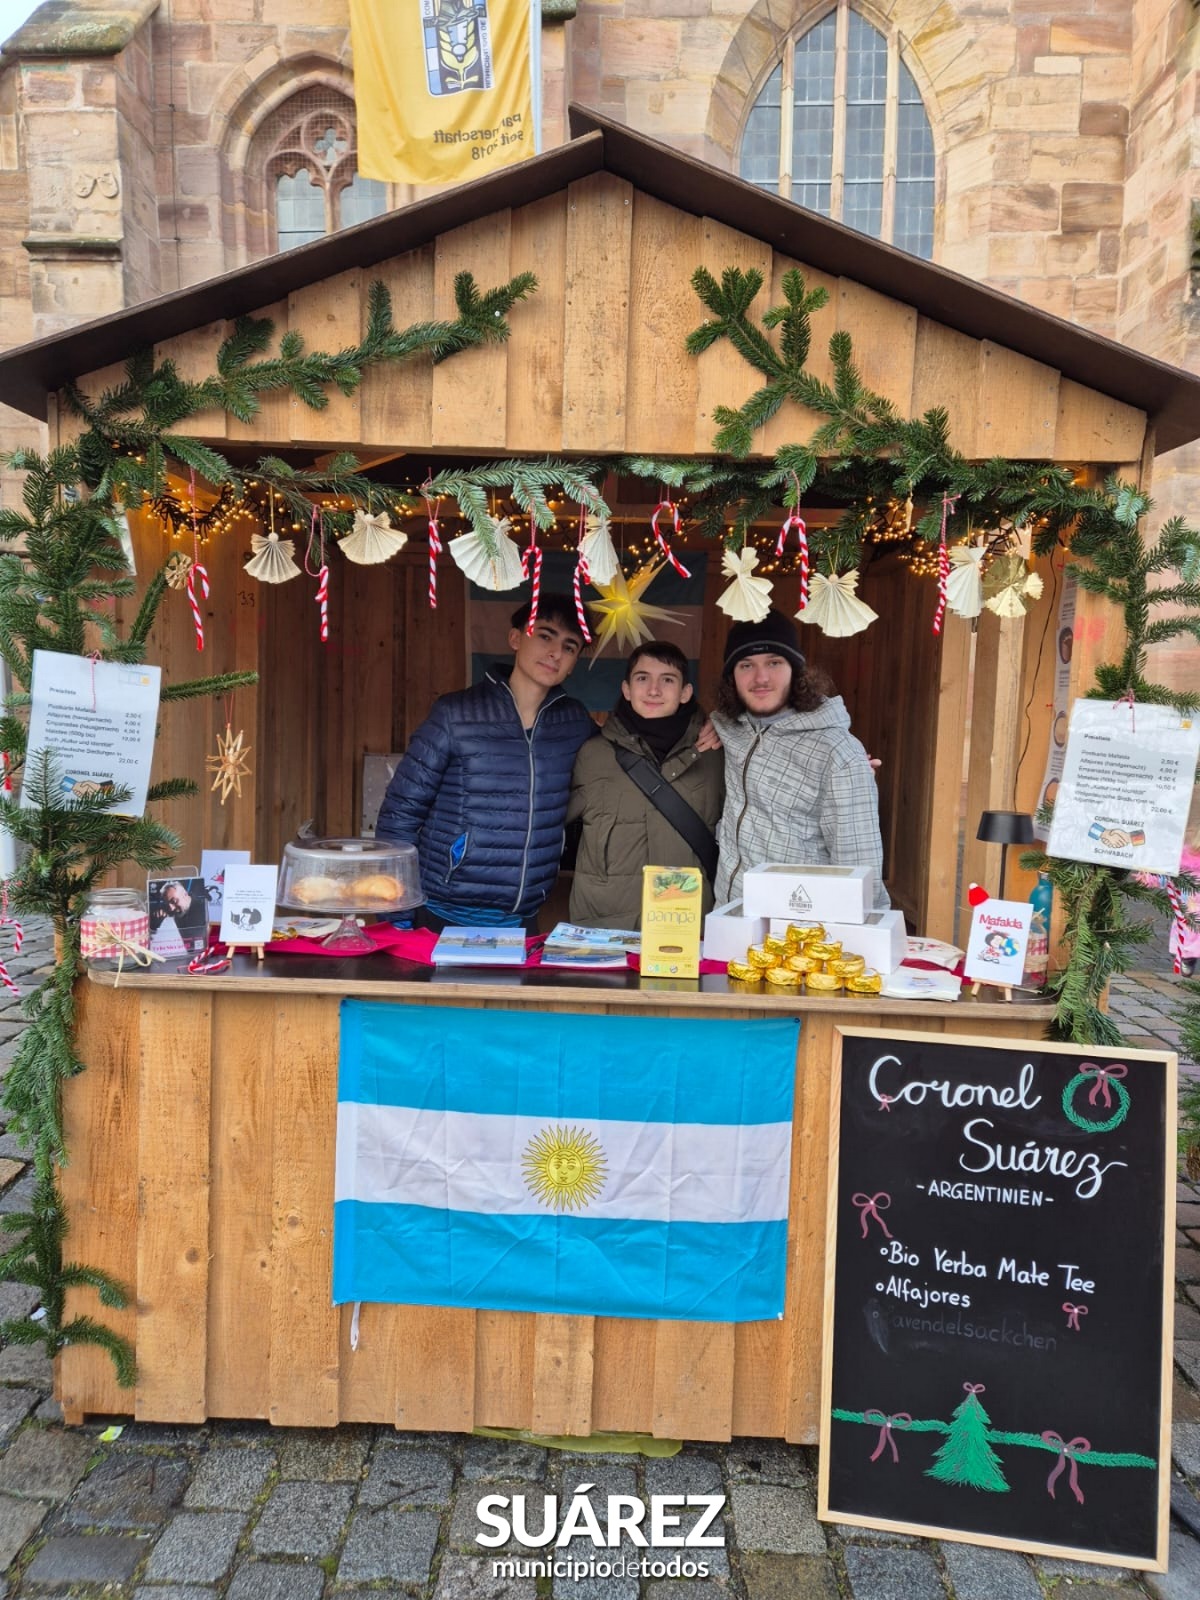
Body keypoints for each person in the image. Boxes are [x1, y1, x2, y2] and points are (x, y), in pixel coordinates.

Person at [375, 594, 597, 931]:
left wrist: (706, 730)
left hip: (522, 918)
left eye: (570, 646)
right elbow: (400, 813)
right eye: (545, 635)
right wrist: (396, 912)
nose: (556, 652)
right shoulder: (455, 714)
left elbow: (624, 751)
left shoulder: (575, 723)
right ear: (515, 638)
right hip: (439, 914)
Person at [712, 609, 888, 908]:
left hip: (799, 932)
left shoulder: (838, 753)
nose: (761, 677)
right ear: (732, 677)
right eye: (746, 665)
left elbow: (862, 872)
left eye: (774, 663)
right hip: (730, 917)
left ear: (797, 671)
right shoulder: (728, 728)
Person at [566, 641, 725, 929]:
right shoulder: (591, 755)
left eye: (667, 680)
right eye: (643, 679)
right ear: (626, 689)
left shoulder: (717, 755)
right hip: (607, 925)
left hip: (687, 926)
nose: (654, 690)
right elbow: (547, 819)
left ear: (685, 692)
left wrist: (726, 725)